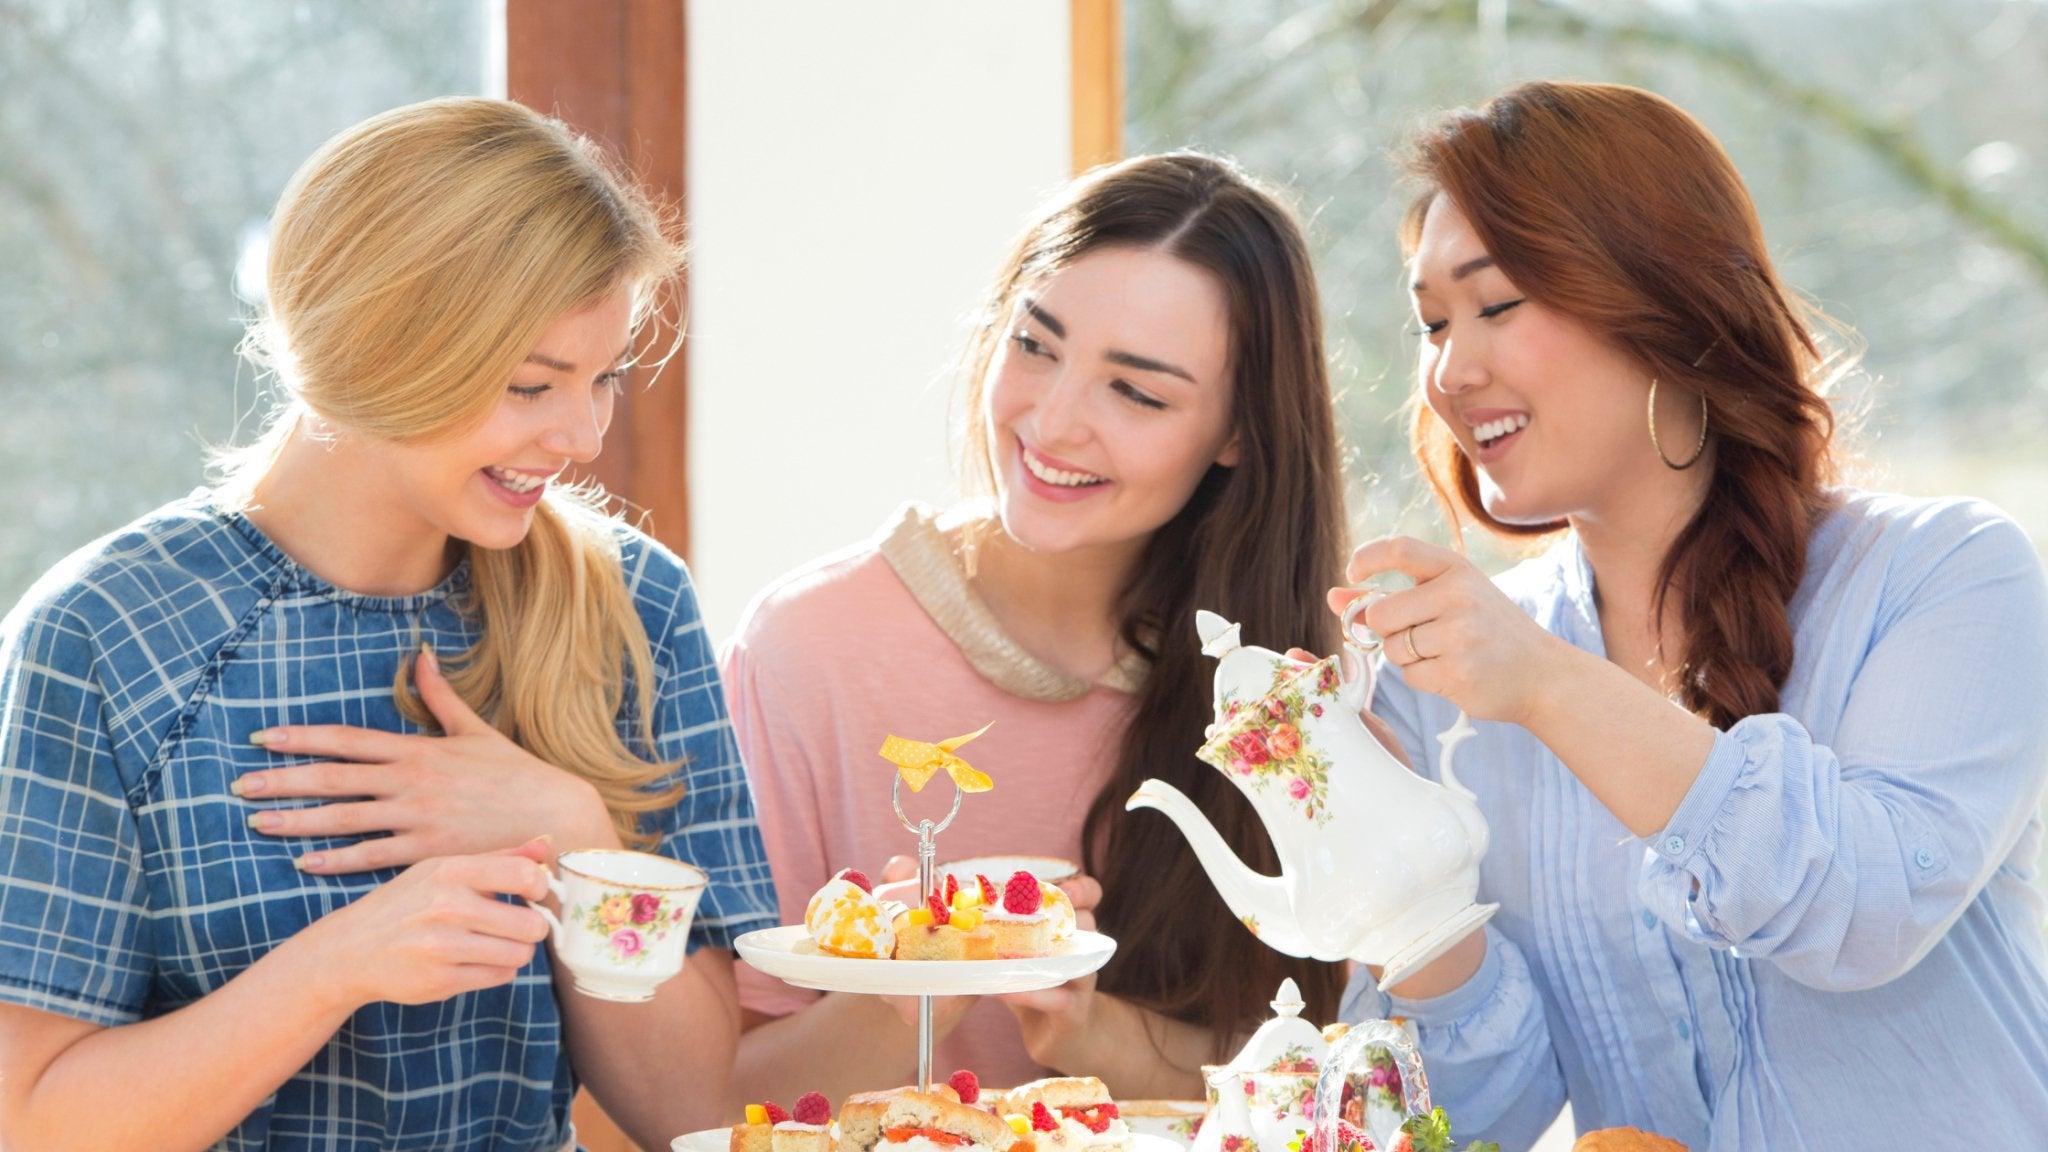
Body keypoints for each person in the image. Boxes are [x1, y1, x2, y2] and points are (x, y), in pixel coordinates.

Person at [0, 97, 777, 1151]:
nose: (584, 435)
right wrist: (335, 968)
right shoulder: (110, 634)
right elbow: (32, 1120)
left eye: (604, 380)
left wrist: (576, 841)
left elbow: (696, 1114)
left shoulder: (633, 608)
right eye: (530, 385)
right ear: (380, 348)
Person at [1332, 81, 2048, 1150]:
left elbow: (1859, 909)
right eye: (1430, 321)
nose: (1447, 368)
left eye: (1494, 305)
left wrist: (1547, 686)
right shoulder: (1448, 691)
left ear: (1659, 307)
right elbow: (1452, 1120)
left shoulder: (1944, 575)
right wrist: (1400, 886)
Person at [725, 152, 1352, 1100]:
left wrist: (1087, 1027)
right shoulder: (805, 652)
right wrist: (911, 981)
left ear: (1239, 434)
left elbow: (1306, 1084)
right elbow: (711, 1104)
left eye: (1136, 393)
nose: (1053, 423)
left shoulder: (1283, 697)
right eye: (1036, 346)